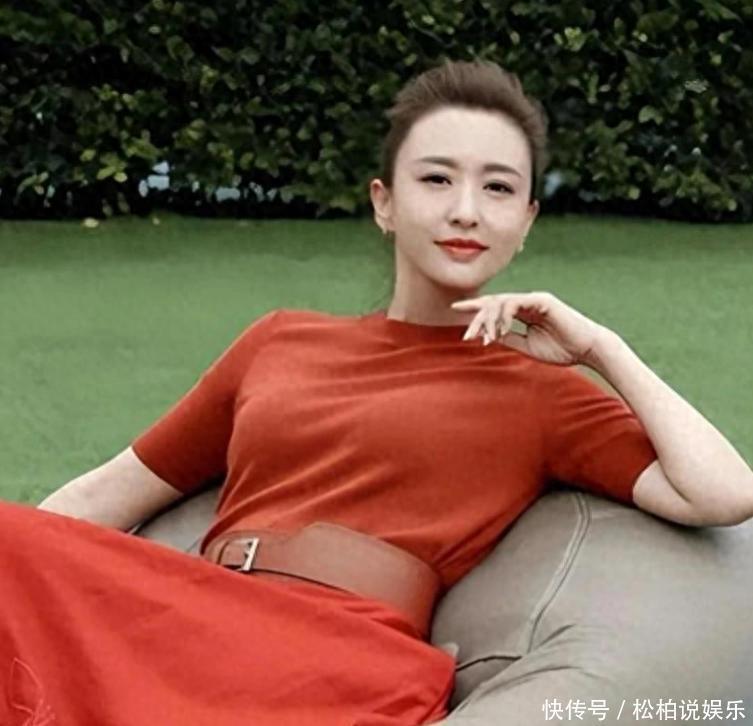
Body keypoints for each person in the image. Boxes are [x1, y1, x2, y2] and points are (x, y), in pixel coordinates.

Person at [4, 59, 752, 726]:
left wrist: (601, 349)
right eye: (436, 179)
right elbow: (105, 496)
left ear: (525, 222)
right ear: (383, 202)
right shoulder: (278, 342)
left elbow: (722, 495)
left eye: (498, 188)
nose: (466, 210)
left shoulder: (541, 391)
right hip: (191, 621)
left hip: (341, 655)